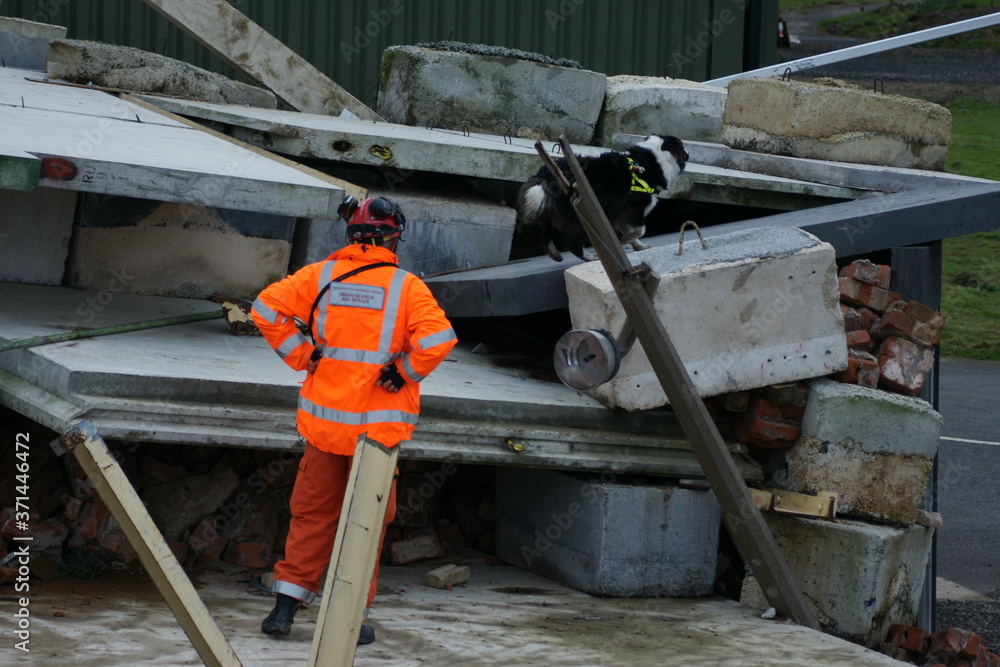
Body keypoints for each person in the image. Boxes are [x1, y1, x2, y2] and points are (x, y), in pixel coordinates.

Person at [251, 195, 457, 643]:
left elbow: (265, 309)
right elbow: (439, 339)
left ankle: (285, 609)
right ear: (393, 237)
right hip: (376, 438)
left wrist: (303, 355)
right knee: (365, 522)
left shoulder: (320, 276)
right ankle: (350, 618)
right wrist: (402, 373)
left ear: (349, 235)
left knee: (311, 516)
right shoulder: (407, 288)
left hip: (324, 429)